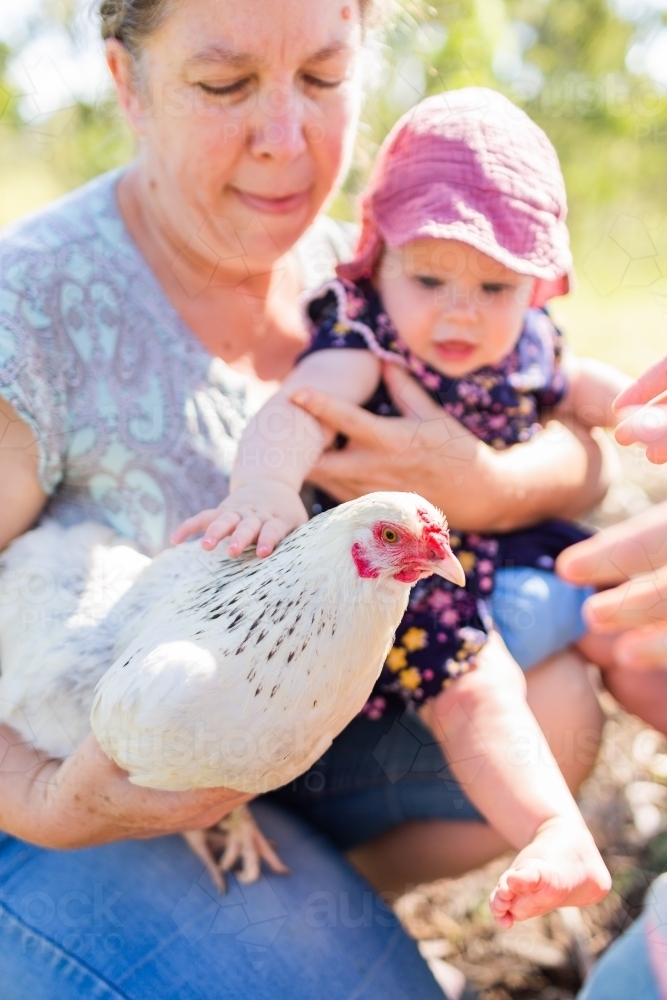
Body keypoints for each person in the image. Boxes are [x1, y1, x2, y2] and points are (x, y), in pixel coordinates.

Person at [0, 1, 612, 995]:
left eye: (323, 78)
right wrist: (45, 797)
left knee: (547, 668)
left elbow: (569, 427)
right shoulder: (30, 313)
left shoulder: (386, 270)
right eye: (225, 83)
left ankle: (321, 902)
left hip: (262, 741)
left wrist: (490, 482)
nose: (285, 139)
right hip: (58, 789)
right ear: (128, 82)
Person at [174, 89, 624, 920]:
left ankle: (520, 839)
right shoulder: (368, 339)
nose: (459, 310)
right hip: (395, 574)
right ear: (376, 259)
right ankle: (552, 829)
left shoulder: (526, 336)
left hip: (495, 549)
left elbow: (582, 387)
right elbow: (298, 406)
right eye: (429, 278)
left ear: (534, 282)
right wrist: (268, 485)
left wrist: (634, 412)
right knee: (475, 692)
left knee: (613, 621)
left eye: (494, 285)